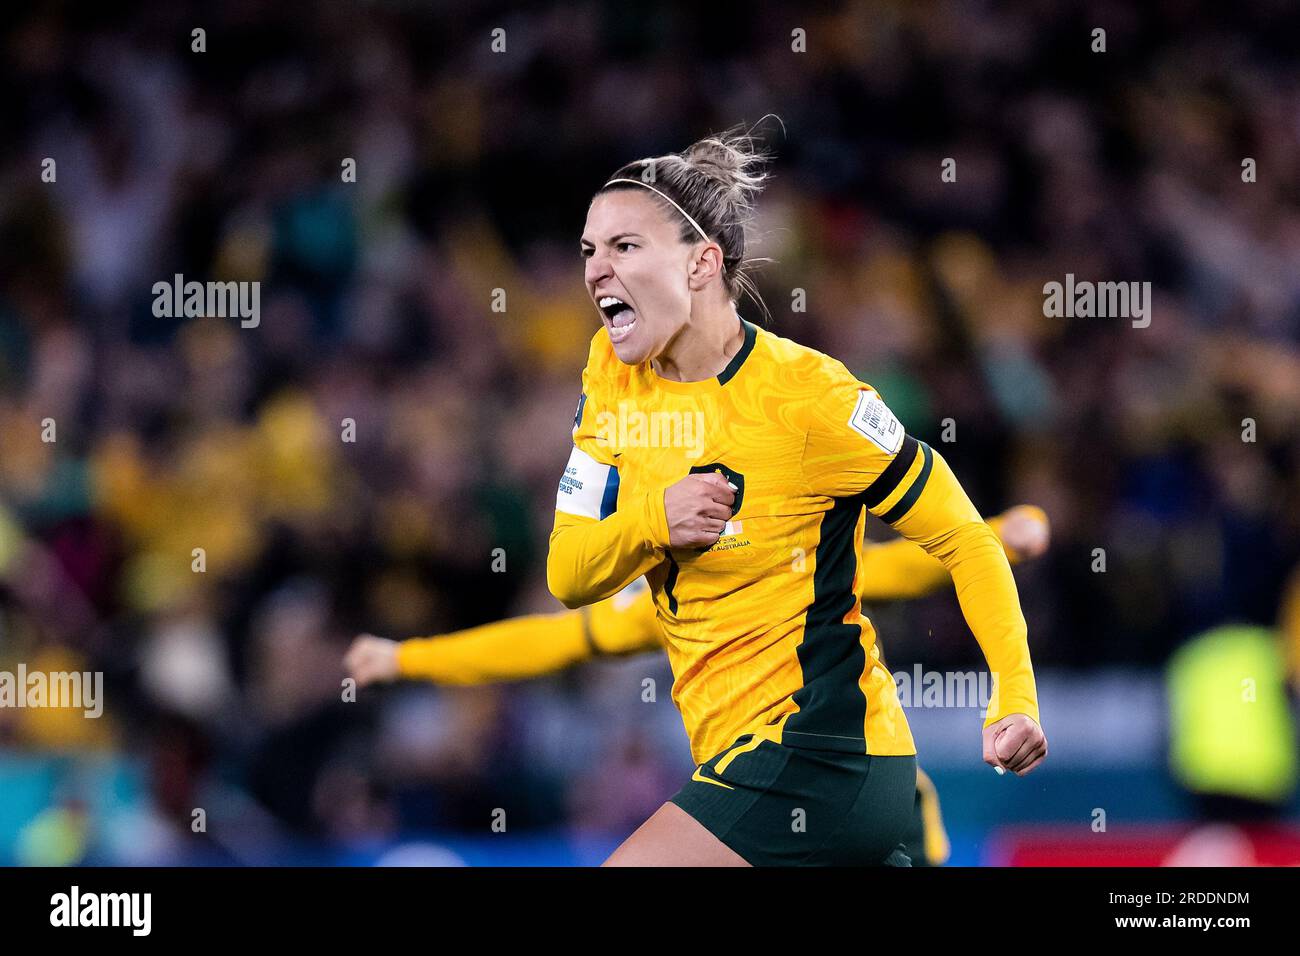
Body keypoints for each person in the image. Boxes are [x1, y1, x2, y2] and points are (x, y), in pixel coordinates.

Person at [544, 126, 1046, 865]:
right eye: (589, 250)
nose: (596, 270)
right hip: (738, 761)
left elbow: (965, 538)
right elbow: (569, 573)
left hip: (823, 751)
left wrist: (1014, 698)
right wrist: (654, 519)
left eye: (625, 246)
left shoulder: (810, 399)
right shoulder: (610, 377)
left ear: (701, 263)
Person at [347, 506, 1051, 866]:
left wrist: (1008, 532)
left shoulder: (815, 576)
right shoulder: (673, 598)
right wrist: (408, 660)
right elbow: (547, 639)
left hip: (856, 800)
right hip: (776, 805)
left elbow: (928, 560)